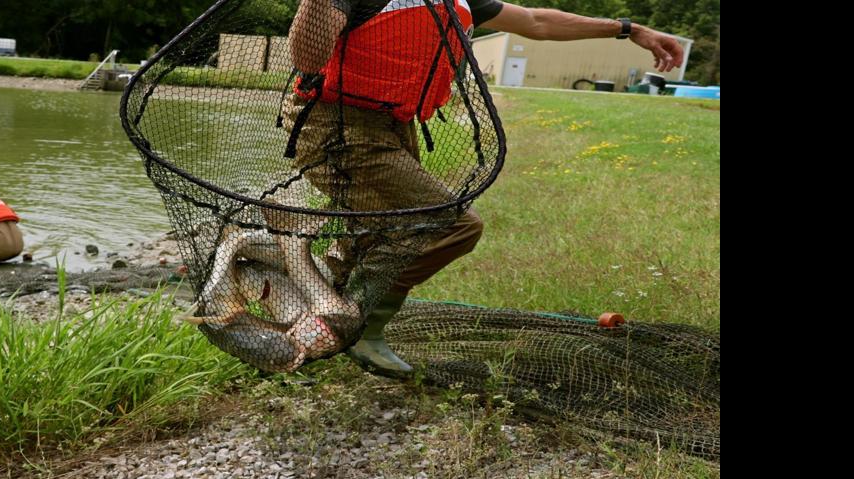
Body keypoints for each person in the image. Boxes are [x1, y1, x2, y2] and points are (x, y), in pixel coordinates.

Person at [283, 0, 684, 376]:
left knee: (381, 230)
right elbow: (306, 58)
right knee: (449, 224)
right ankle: (352, 323)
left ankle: (320, 326)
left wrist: (628, 29)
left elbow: (535, 22)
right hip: (335, 124)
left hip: (390, 125)